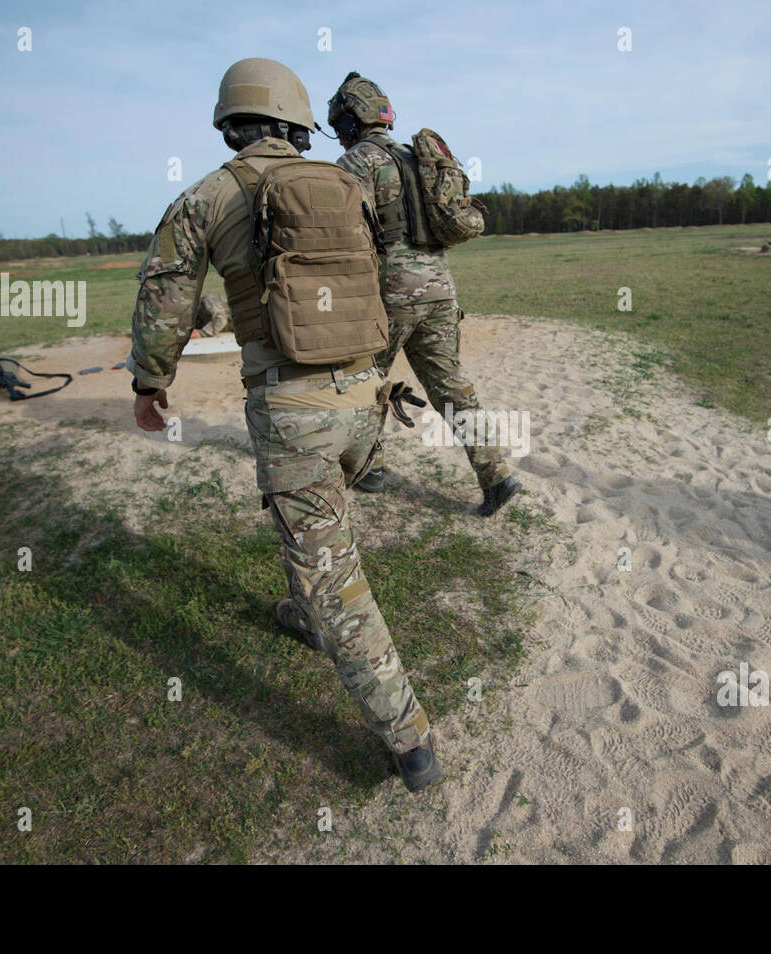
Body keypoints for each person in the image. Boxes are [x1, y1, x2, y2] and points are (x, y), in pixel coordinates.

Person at [128, 58, 440, 792]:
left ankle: (410, 740)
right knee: (313, 531)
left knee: (336, 576)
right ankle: (306, 611)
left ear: (230, 123)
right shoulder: (346, 185)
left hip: (294, 411)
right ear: (299, 123)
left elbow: (167, 293)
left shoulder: (207, 197)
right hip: (365, 398)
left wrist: (151, 380)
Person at [328, 72, 520, 517]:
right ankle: (496, 477)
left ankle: (370, 469)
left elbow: (344, 234)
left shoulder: (356, 163)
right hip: (439, 288)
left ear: (349, 122)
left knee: (366, 381)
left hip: (387, 293)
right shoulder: (416, 158)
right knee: (452, 386)